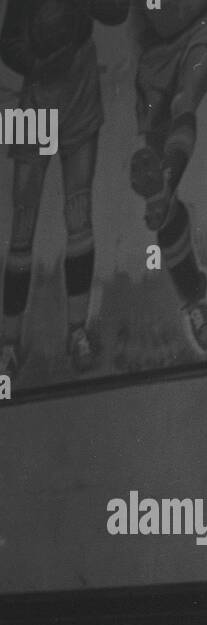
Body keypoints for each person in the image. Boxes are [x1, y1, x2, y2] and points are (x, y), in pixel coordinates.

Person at [0, 0, 130, 379]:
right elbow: (7, 41)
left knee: (79, 211)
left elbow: (117, 12)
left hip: (80, 87)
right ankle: (9, 343)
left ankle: (77, 332)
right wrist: (39, 65)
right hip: (36, 93)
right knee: (22, 221)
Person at [127, 0, 207, 356]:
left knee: (185, 100)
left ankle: (164, 187)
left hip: (199, 31)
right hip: (154, 55)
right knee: (164, 200)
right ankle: (194, 298)